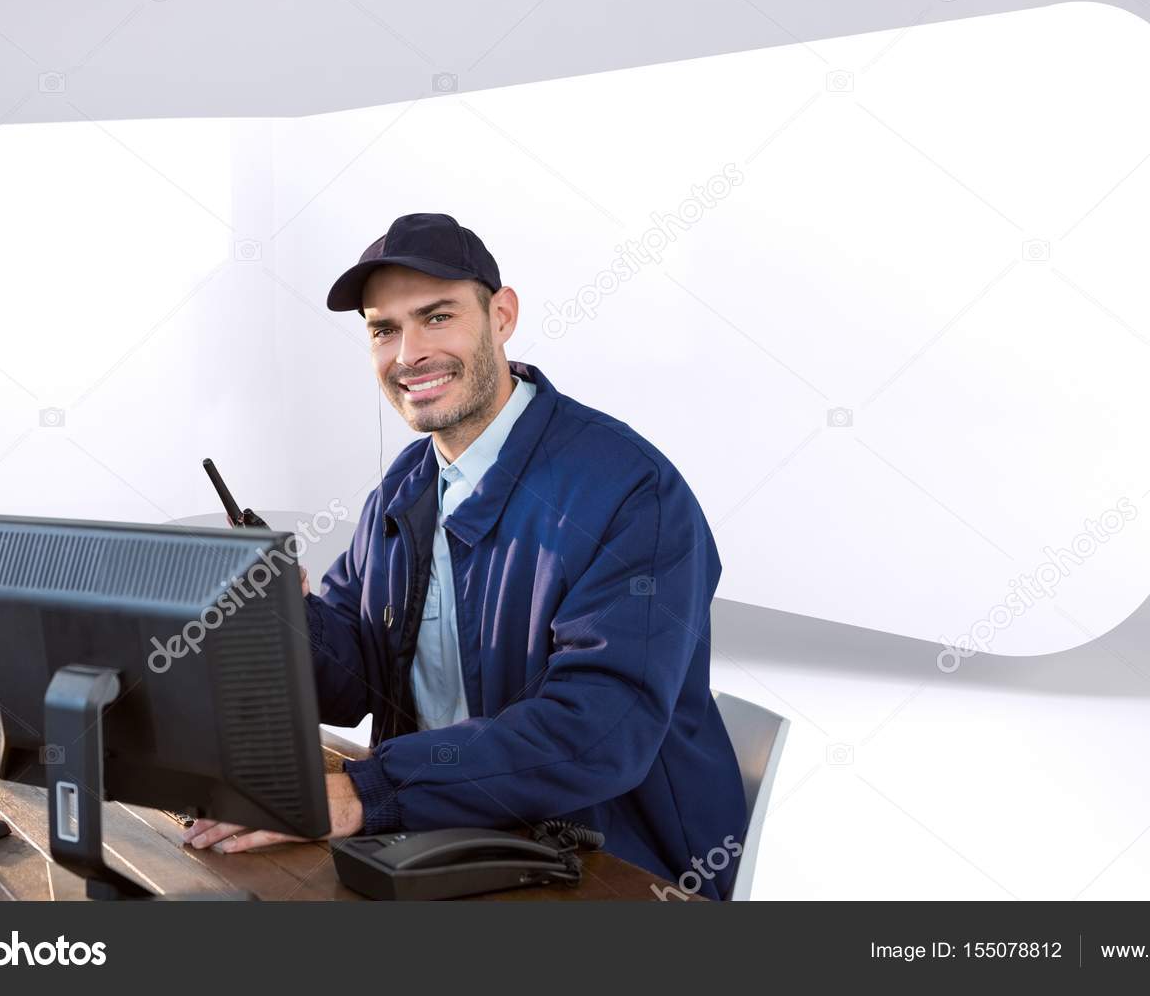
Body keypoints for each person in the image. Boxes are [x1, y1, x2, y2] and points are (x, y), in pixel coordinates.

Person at [185, 212, 747, 897]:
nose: (408, 353)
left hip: (606, 866)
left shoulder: (631, 493)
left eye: (437, 316)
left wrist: (367, 791)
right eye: (383, 329)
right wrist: (281, 612)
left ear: (501, 315)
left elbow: (600, 730)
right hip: (434, 839)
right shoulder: (407, 485)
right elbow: (355, 674)